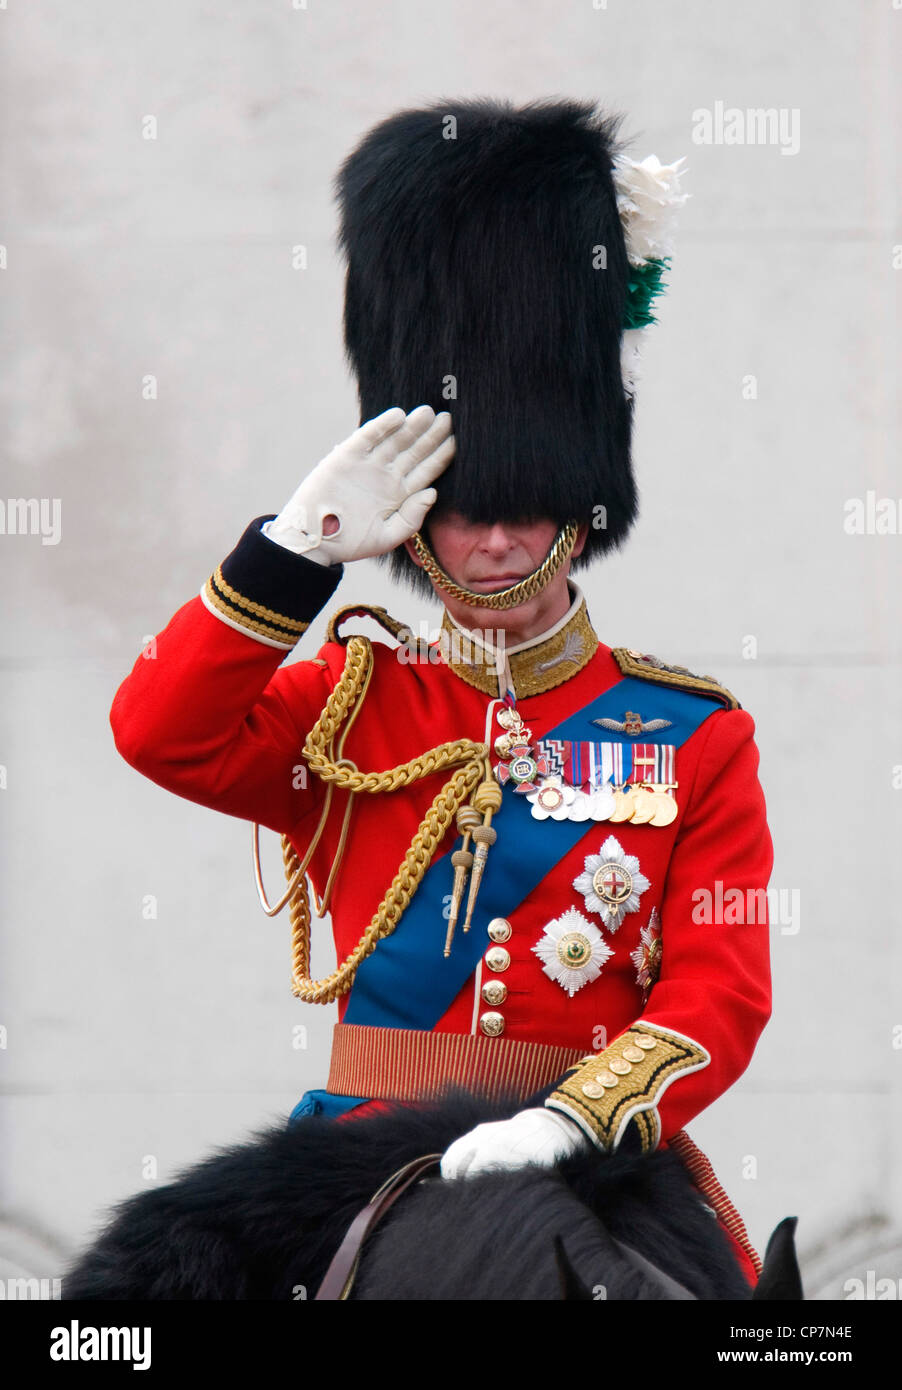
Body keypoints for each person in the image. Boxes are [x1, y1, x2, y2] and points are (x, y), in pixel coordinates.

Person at [109, 99, 773, 1288]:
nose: (497, 548)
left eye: (527, 510)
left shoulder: (696, 738)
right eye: (466, 513)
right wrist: (296, 547)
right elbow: (158, 732)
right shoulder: (351, 702)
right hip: (359, 1152)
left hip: (591, 1153)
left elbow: (720, 992)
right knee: (128, 1294)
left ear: (580, 507)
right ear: (417, 525)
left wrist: (577, 1117)